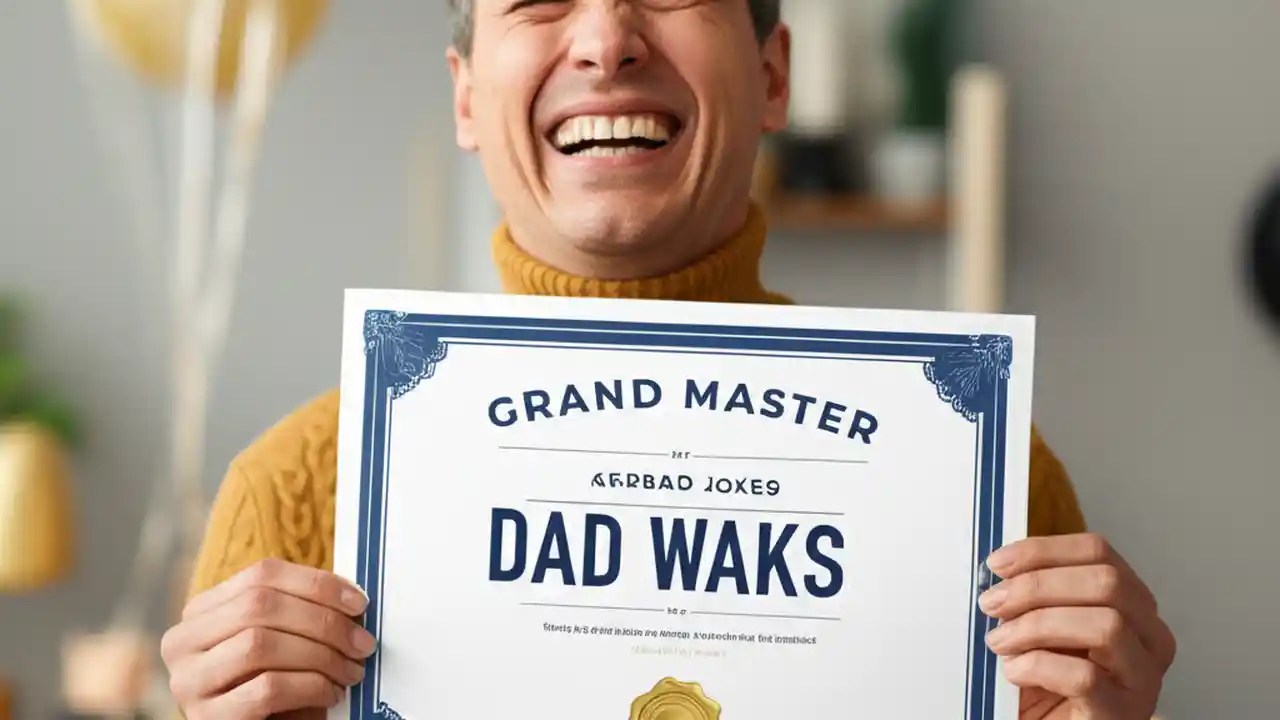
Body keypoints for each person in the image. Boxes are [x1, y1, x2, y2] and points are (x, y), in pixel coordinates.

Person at [159, 0, 1176, 718]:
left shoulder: (991, 482)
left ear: (771, 76)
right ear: (466, 99)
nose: (606, 40)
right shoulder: (290, 502)